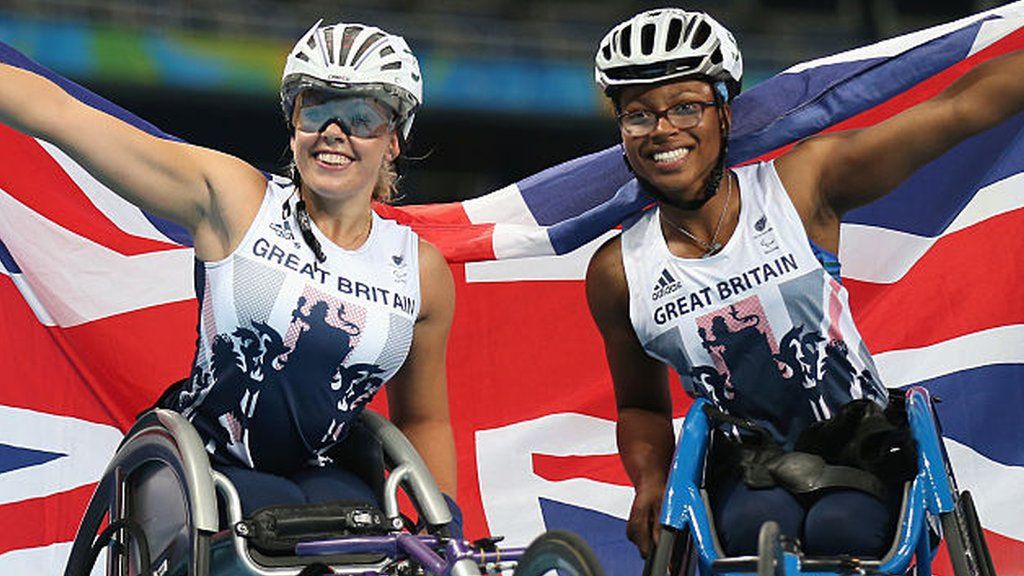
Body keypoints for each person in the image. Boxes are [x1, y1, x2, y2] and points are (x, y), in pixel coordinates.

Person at [583, 7, 1024, 559]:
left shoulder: (799, 185)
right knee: (751, 537)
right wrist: (649, 482)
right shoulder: (617, 271)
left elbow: (956, 110)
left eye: (686, 106)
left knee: (844, 532)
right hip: (744, 470)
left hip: (860, 450)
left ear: (724, 113)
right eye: (639, 116)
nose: (664, 129)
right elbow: (640, 407)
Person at [0, 20, 460, 529]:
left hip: (325, 472)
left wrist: (445, 528)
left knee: (371, 538)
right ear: (293, 122)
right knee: (274, 528)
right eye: (317, 110)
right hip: (211, 463)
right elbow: (62, 115)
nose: (334, 132)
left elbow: (424, 419)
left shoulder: (420, 270)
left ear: (392, 141)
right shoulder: (236, 200)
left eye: (360, 117)